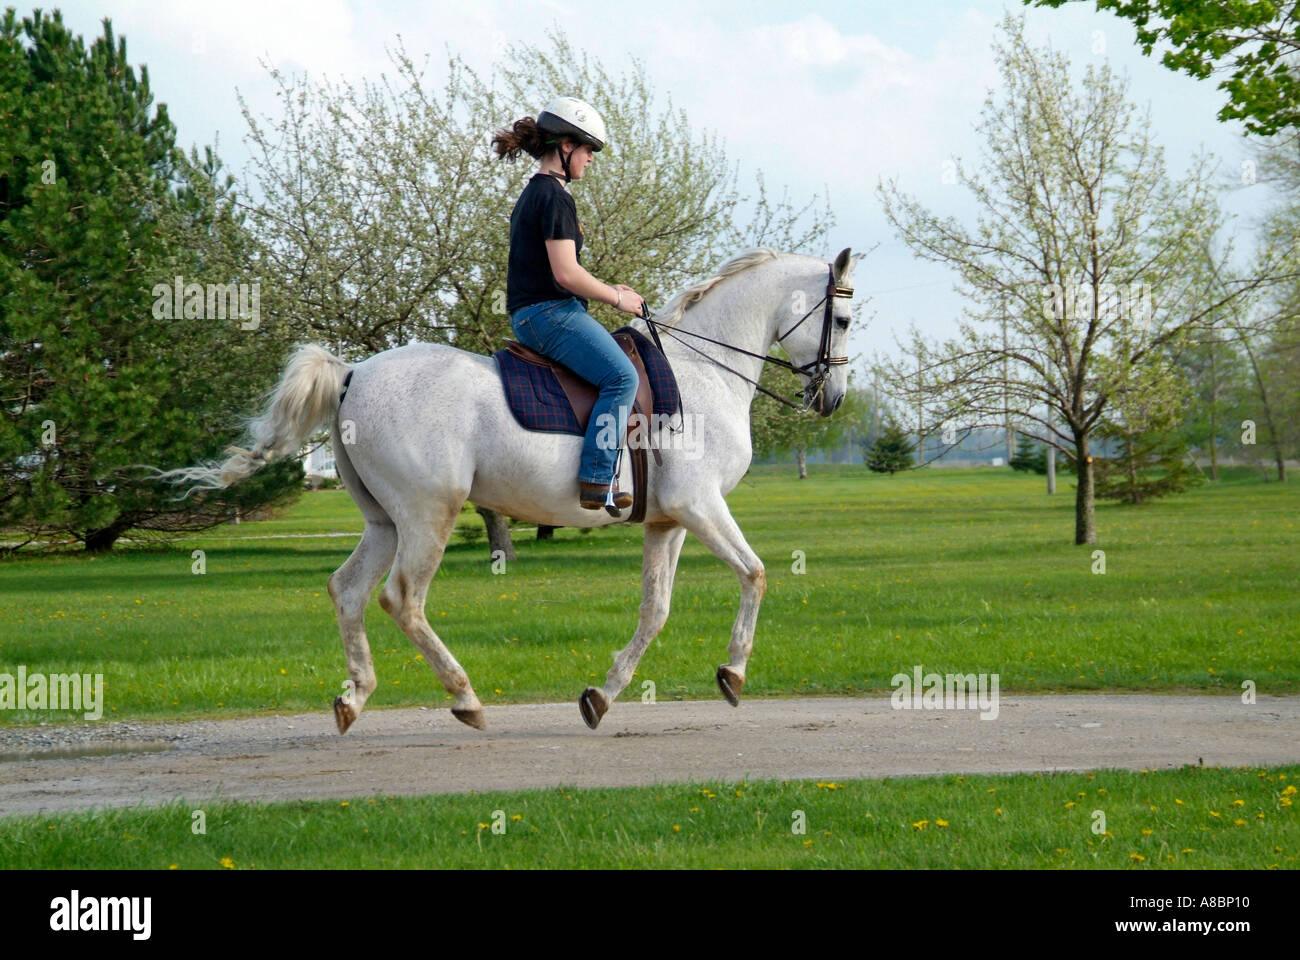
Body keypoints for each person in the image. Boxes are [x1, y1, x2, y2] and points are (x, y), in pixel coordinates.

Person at [492, 97, 647, 511]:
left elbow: (564, 272)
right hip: (550, 314)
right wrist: (619, 298)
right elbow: (565, 274)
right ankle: (598, 479)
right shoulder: (556, 198)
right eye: (589, 150)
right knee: (622, 378)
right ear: (565, 146)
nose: (591, 161)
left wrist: (602, 286)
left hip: (541, 311)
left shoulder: (536, 193)